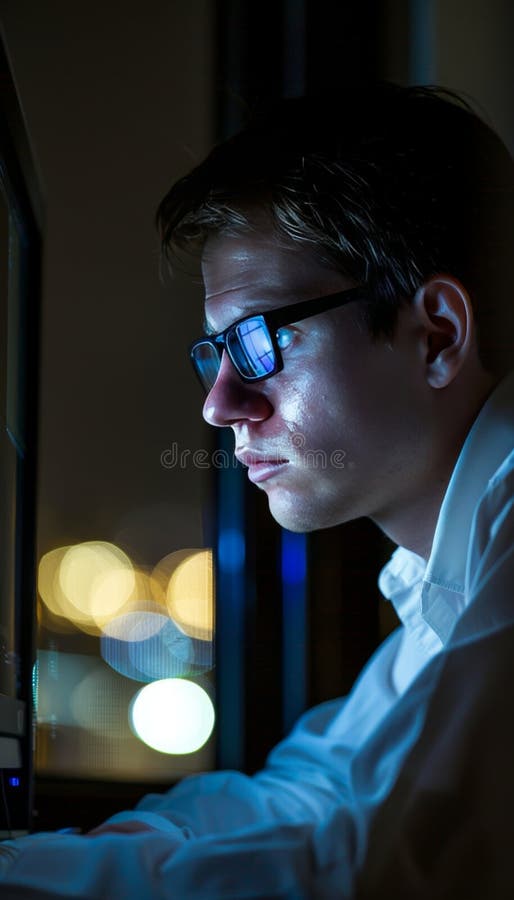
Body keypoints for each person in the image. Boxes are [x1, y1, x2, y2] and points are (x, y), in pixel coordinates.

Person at [1, 82, 514, 898]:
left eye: (259, 341)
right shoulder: (444, 576)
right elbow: (315, 793)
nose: (218, 404)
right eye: (215, 353)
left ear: (439, 334)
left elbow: (381, 867)